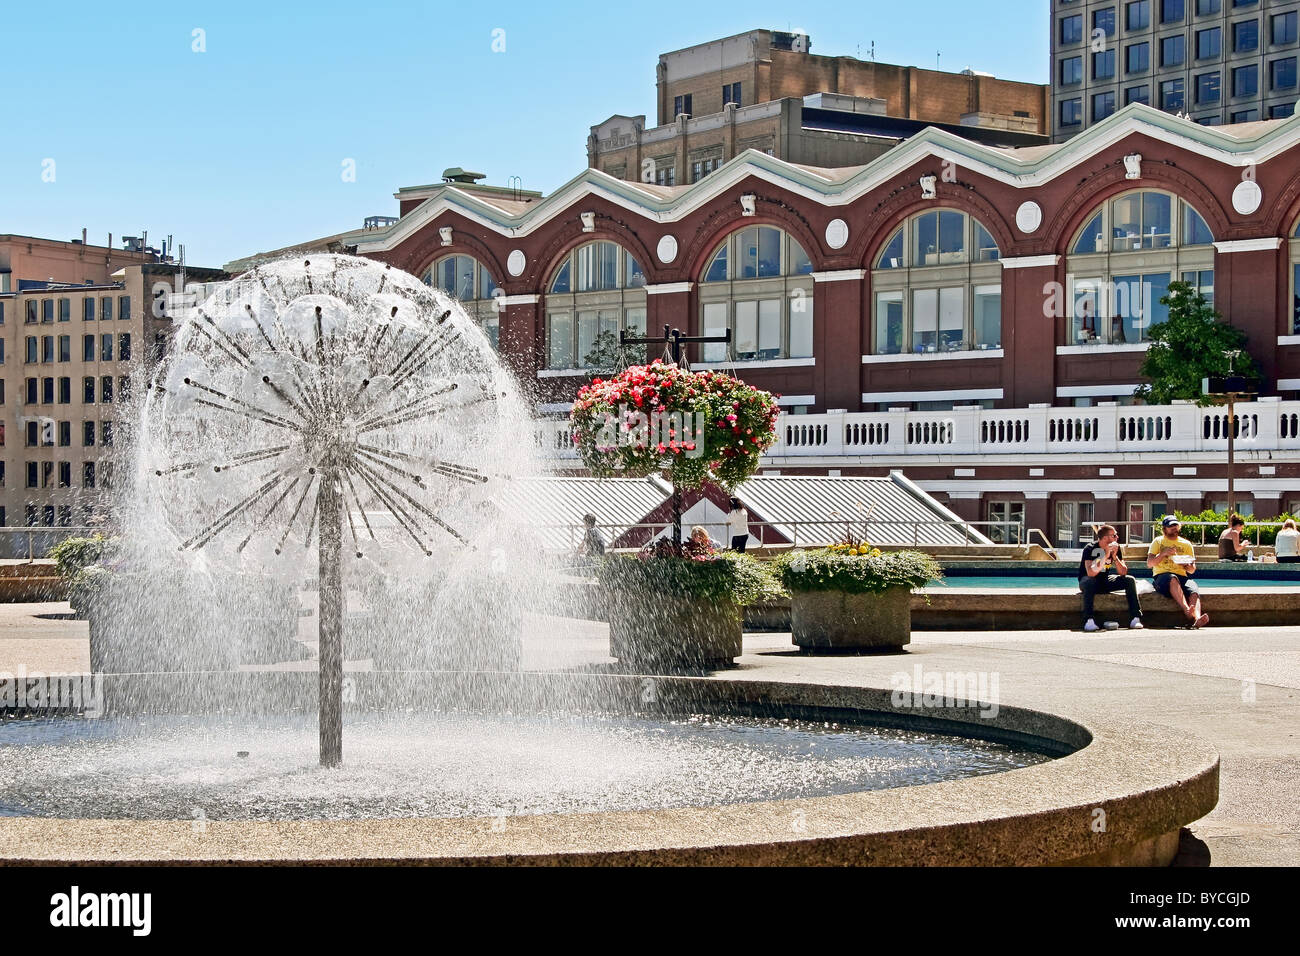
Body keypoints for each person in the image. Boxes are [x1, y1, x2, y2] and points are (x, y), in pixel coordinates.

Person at [1078, 524, 1143, 631]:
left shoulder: (1116, 548)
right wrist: (1106, 554)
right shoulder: (1090, 548)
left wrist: (1115, 557)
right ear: (1105, 538)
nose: (1117, 537)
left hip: (1104, 580)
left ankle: (1135, 618)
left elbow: (1123, 572)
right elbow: (1090, 573)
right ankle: (1088, 620)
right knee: (1090, 581)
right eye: (1114, 535)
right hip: (1088, 581)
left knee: (1129, 580)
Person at [1147, 515, 1209, 628]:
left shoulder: (1186, 544)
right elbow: (1150, 563)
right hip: (1162, 576)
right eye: (1171, 526)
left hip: (1182, 576)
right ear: (1165, 529)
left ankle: (1196, 618)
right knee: (1172, 578)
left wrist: (1185, 564)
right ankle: (1187, 610)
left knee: (1193, 588)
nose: (1174, 528)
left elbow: (1192, 570)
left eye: (1176, 525)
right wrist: (1163, 553)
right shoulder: (1158, 542)